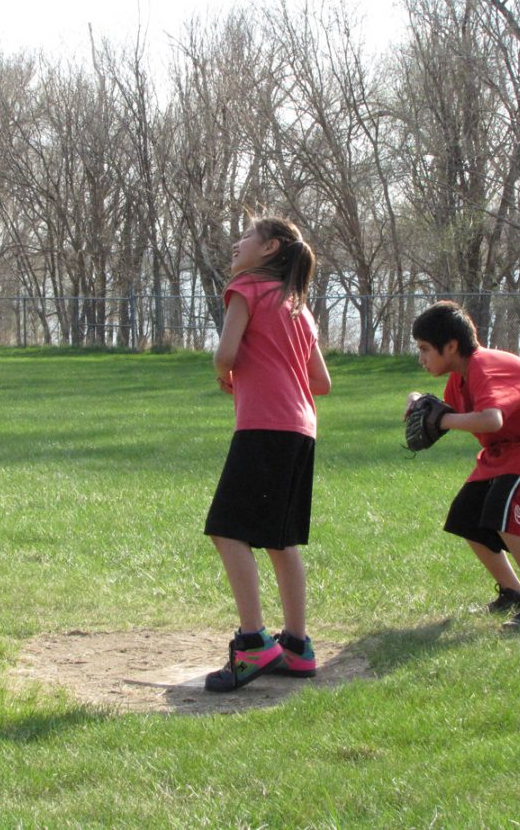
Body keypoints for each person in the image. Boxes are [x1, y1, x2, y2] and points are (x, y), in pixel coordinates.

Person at [204, 215, 332, 692]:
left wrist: (227, 376)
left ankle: (254, 642)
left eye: (246, 237)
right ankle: (297, 647)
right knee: (280, 539)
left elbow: (225, 353)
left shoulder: (248, 289)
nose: (237, 244)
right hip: (301, 428)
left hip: (264, 426)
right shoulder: (299, 305)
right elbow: (321, 383)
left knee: (226, 530)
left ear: (272, 248)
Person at [406, 300, 520, 632]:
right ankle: (513, 593)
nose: (422, 357)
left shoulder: (484, 366)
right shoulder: (458, 379)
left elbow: (491, 419)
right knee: (465, 514)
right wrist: (418, 400)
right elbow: (449, 411)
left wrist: (442, 421)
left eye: (426, 348)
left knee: (503, 508)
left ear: (451, 346)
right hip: (510, 447)